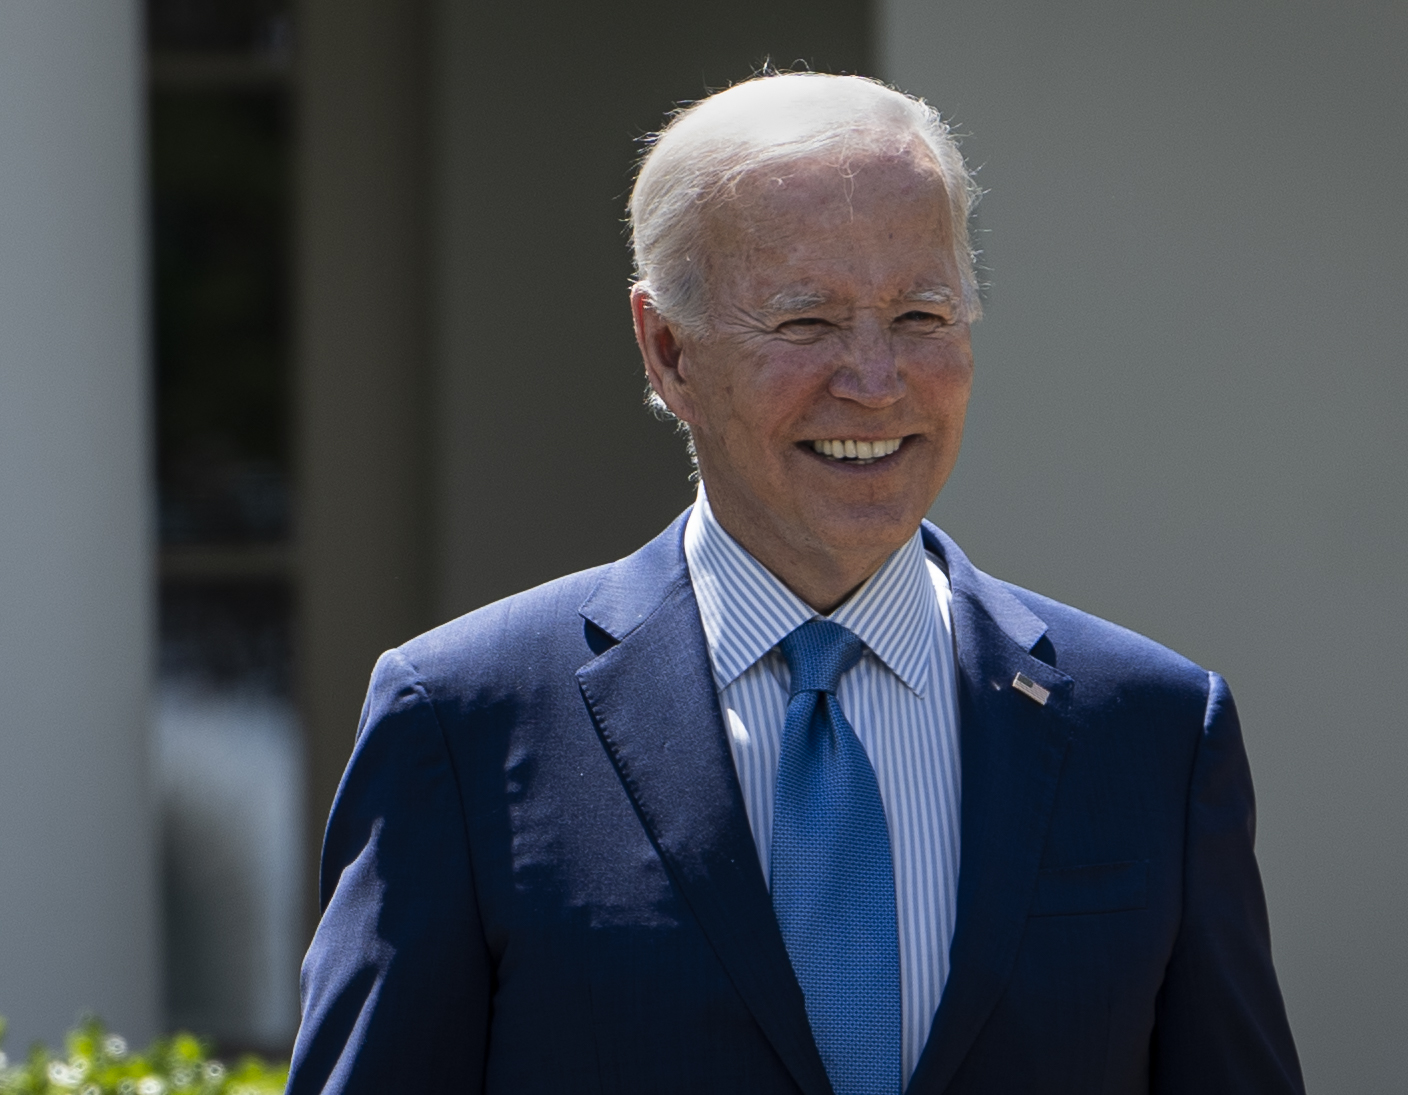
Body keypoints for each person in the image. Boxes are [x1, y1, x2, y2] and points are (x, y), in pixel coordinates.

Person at [287, 72, 1305, 1095]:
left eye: (919, 314)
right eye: (805, 323)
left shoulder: (1150, 732)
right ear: (668, 350)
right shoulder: (464, 723)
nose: (873, 378)